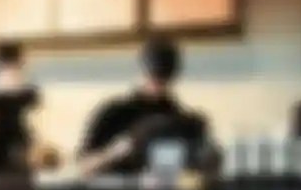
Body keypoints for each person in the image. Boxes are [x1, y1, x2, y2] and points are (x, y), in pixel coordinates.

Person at [76, 38, 205, 176]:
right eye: (153, 77)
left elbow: (194, 172)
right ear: (143, 71)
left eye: (163, 79)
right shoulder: (113, 113)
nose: (157, 85)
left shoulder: (180, 121)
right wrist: (114, 152)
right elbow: (83, 167)